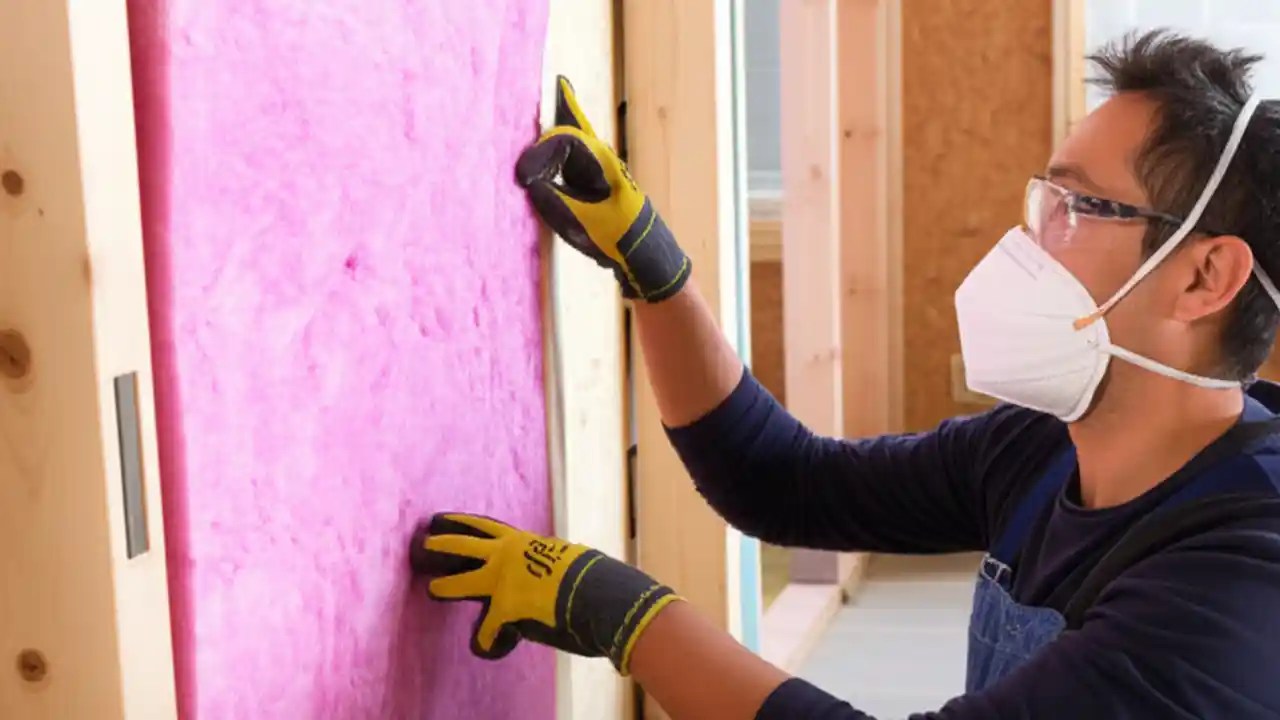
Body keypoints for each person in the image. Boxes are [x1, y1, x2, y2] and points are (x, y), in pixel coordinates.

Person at [411, 30, 1280, 718]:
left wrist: (617, 612)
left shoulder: (1237, 583)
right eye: (1043, 201)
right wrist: (652, 267)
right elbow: (784, 484)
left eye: (1080, 207)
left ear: (1206, 278)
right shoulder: (1046, 446)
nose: (1031, 239)